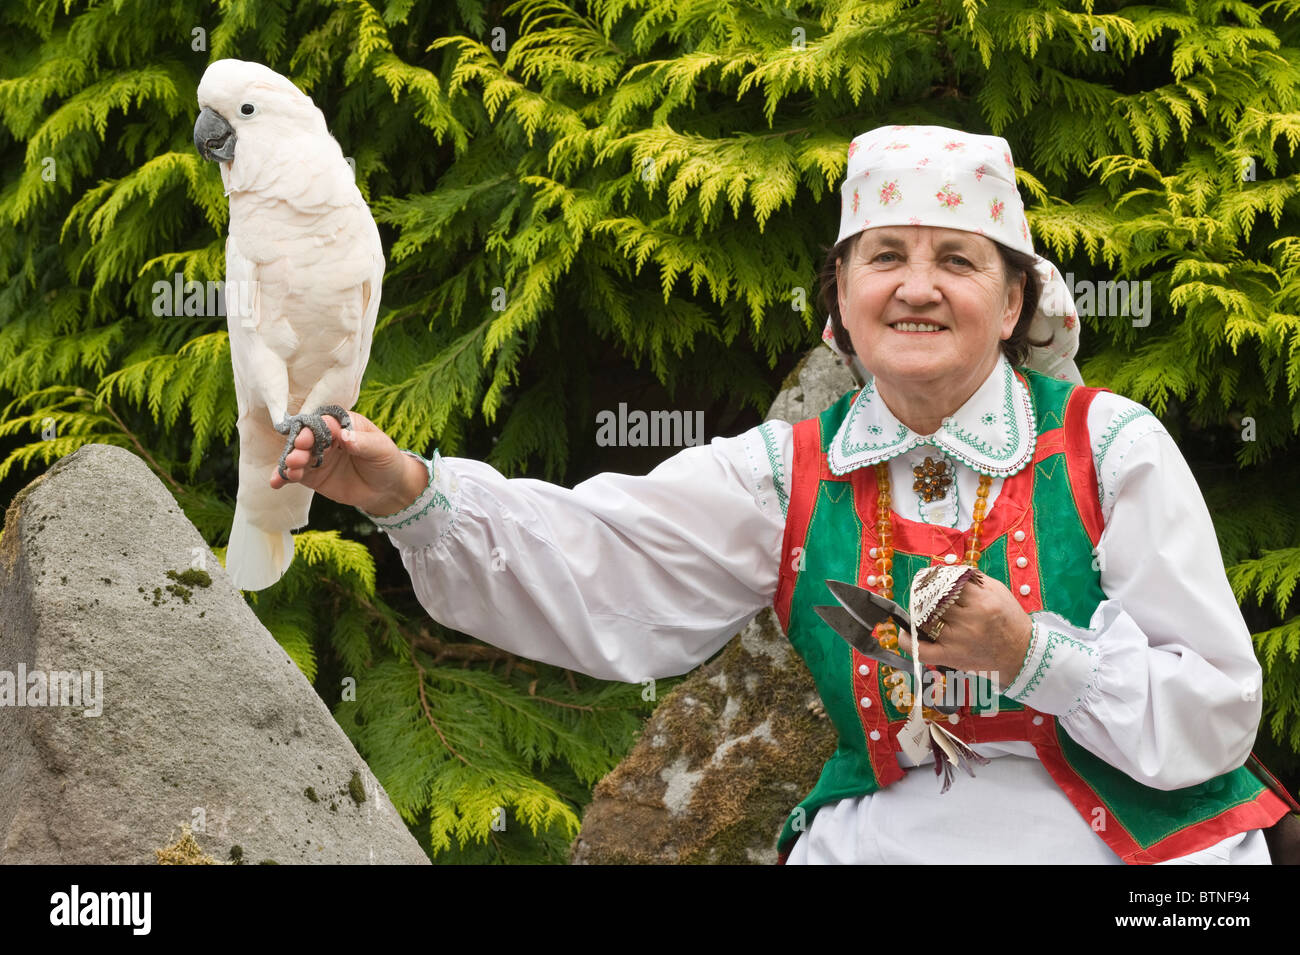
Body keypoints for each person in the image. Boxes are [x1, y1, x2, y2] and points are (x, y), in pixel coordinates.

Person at [268, 124, 1291, 864]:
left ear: (1014, 298)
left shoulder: (1108, 448)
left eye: (956, 261)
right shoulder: (783, 472)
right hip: (900, 839)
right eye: (883, 256)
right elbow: (600, 557)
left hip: (1149, 859)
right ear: (841, 304)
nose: (917, 286)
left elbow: (1214, 709)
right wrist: (406, 490)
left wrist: (1030, 654)